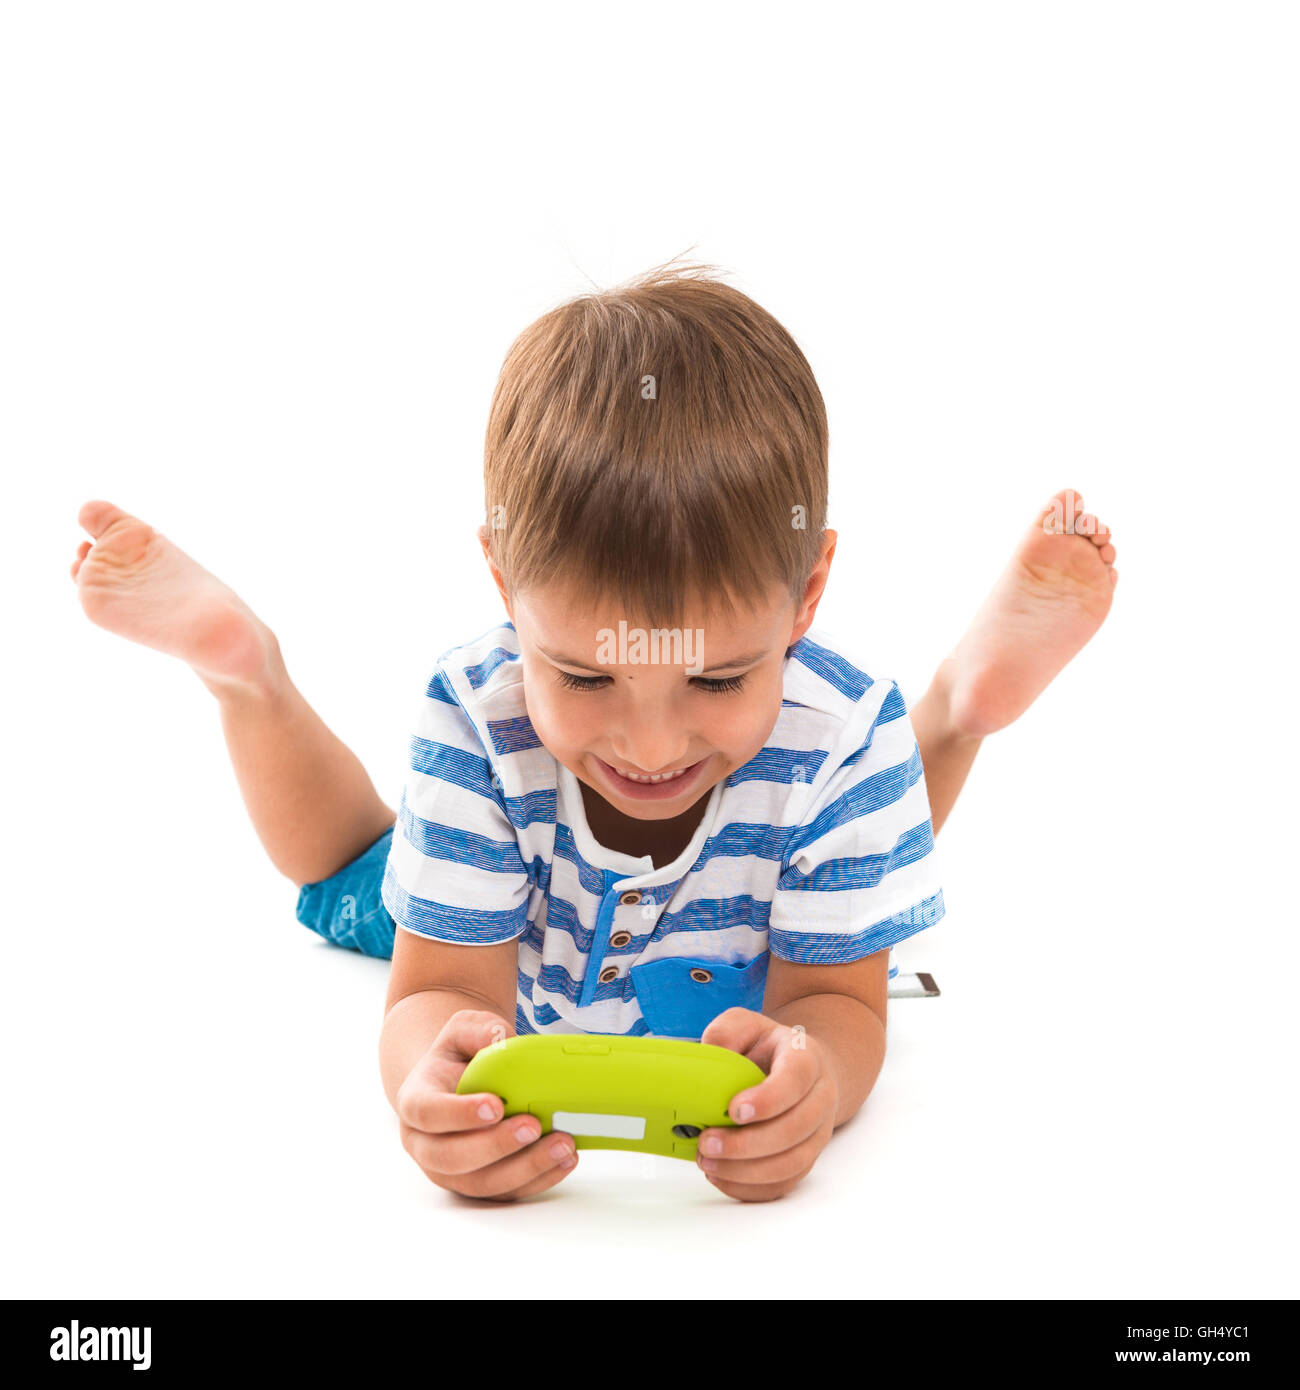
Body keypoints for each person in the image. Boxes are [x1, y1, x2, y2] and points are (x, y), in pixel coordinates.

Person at [71, 264, 1116, 1203]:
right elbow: (436, 988)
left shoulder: (836, 730)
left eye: (715, 675)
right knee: (342, 868)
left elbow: (838, 997)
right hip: (523, 927)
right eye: (582, 673)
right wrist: (429, 1082)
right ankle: (247, 675)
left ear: (805, 598)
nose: (651, 745)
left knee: (862, 849)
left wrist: (821, 1076)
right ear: (504, 587)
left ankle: (956, 712)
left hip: (760, 925)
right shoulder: (478, 717)